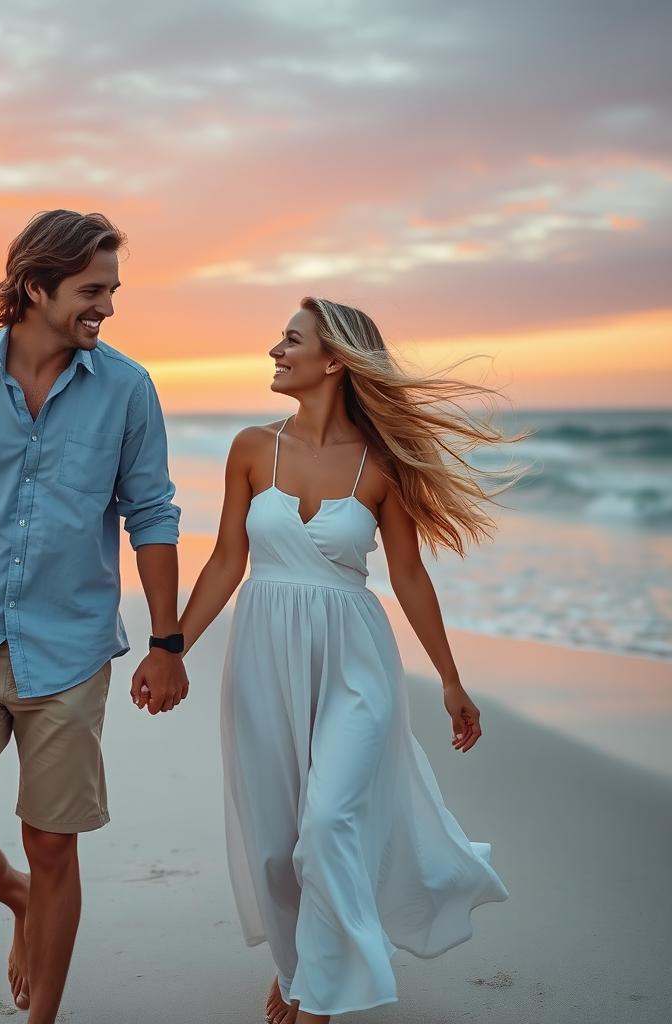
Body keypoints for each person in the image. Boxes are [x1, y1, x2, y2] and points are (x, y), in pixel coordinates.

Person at [168, 298, 517, 1023]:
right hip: (263, 656)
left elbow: (410, 577)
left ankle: (320, 996)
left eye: (290, 340)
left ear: (334, 361)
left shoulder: (380, 466)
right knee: (273, 839)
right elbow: (228, 559)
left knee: (328, 825)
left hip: (356, 660)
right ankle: (297, 969)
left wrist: (451, 680)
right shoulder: (249, 447)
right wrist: (169, 646)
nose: (275, 350)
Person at [0, 209, 189, 1024]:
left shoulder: (128, 389)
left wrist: (167, 642)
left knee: (54, 841)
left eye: (112, 289)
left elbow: (152, 512)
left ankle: (42, 1019)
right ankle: (21, 902)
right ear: (36, 286)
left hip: (68, 650)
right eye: (92, 290)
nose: (107, 306)